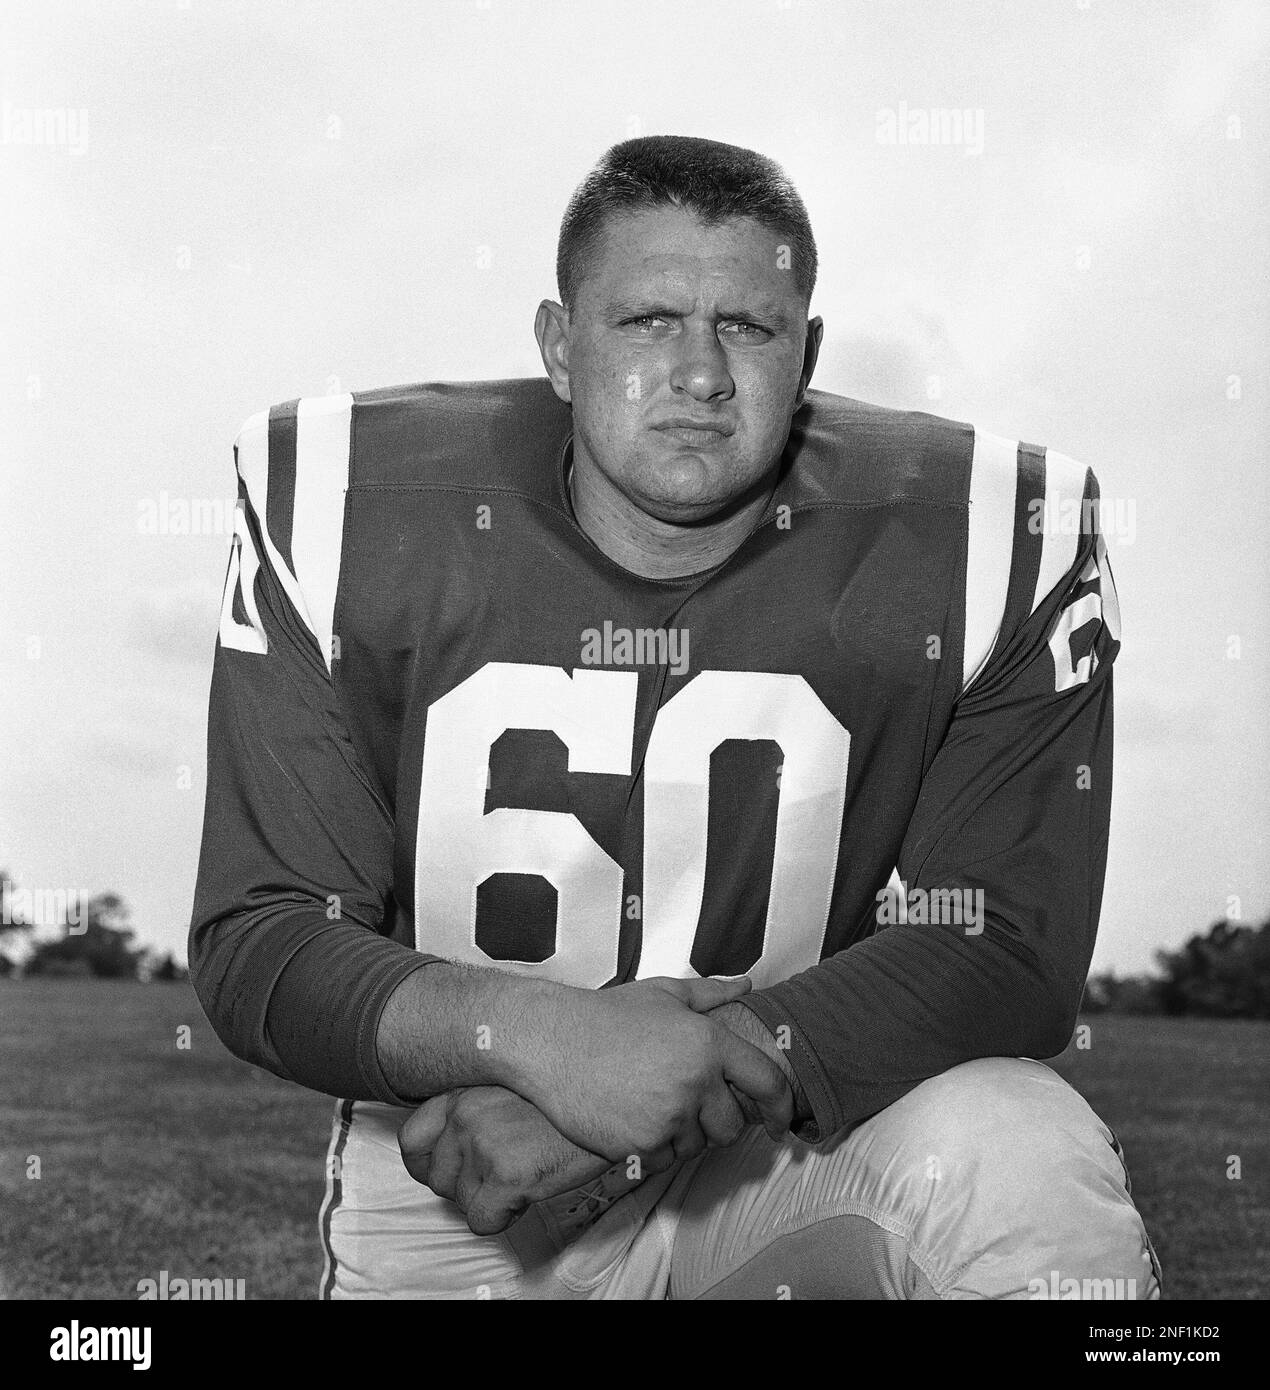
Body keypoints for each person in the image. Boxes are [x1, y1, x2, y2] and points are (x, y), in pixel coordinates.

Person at [190, 134, 1160, 1299]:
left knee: (1018, 1156)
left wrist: (677, 1082)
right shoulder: (350, 505)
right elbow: (265, 931)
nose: (698, 372)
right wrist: (535, 1042)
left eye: (746, 327)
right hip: (466, 1161)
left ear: (805, 352)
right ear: (558, 345)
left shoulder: (988, 533)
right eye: (648, 319)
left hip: (798, 1133)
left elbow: (1007, 941)